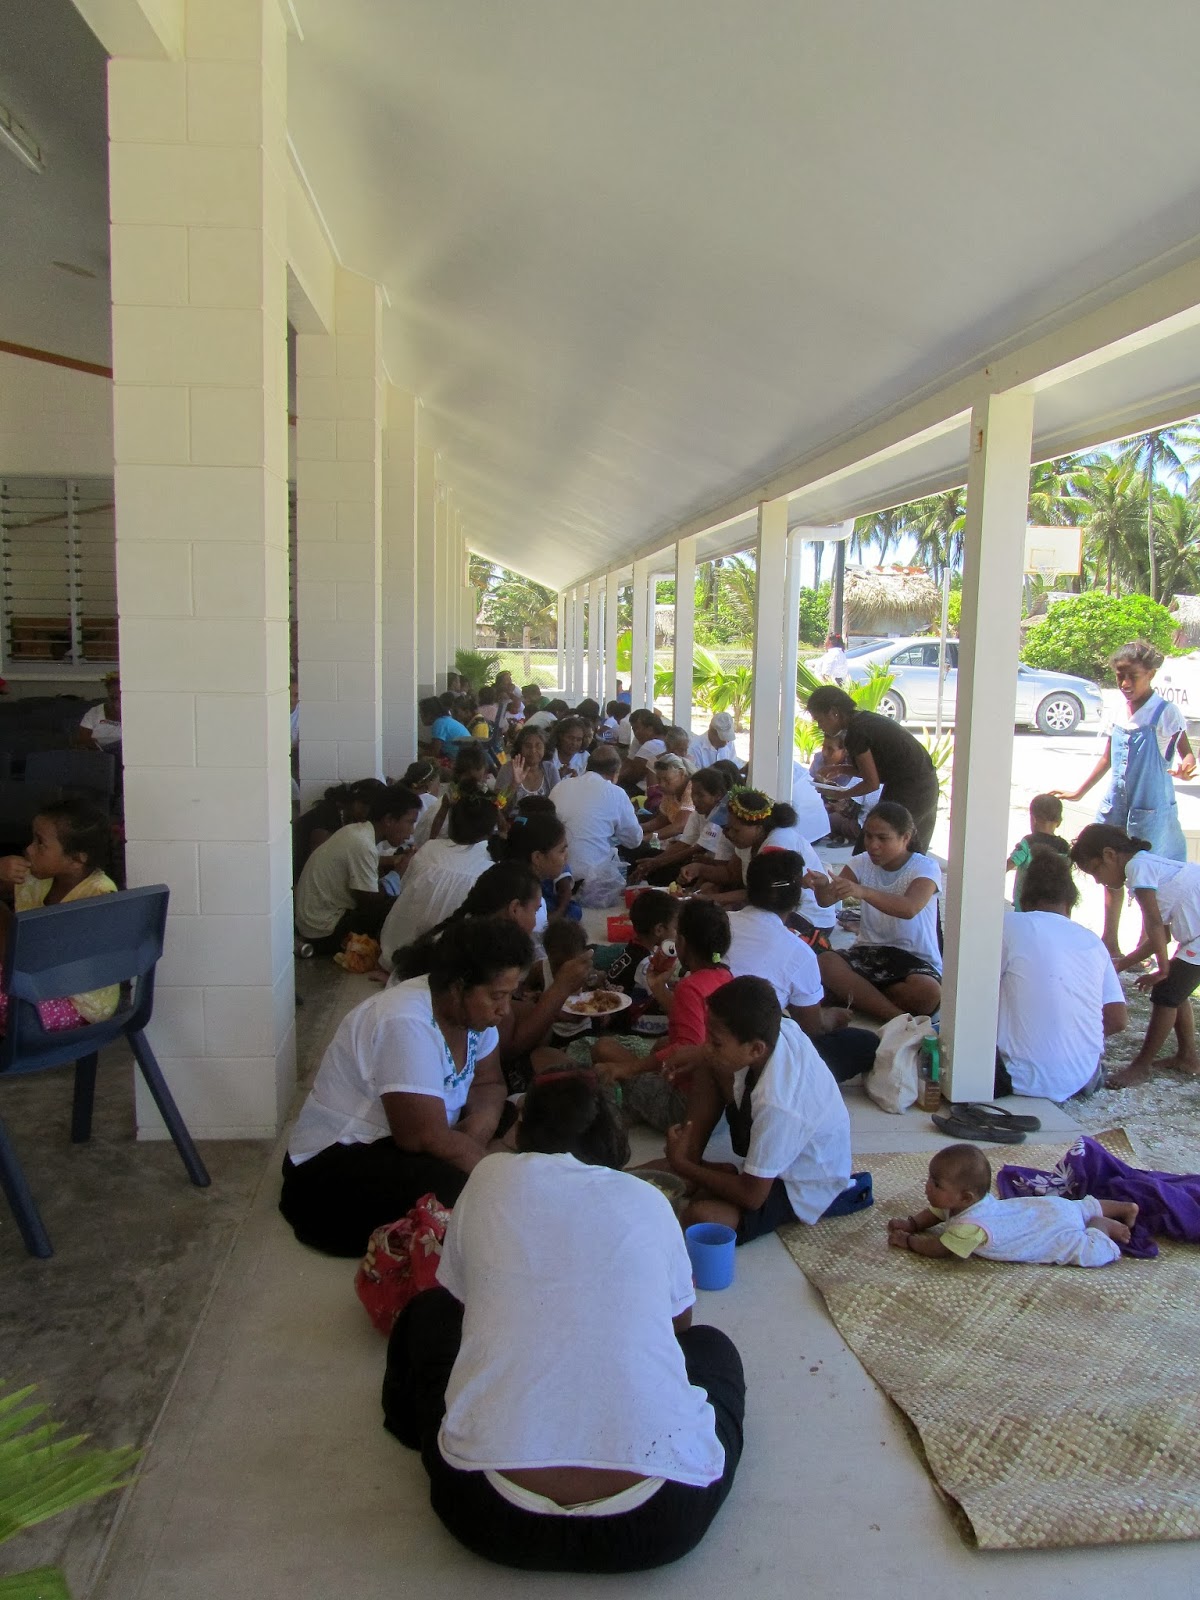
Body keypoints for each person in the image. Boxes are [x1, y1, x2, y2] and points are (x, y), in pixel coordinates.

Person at [382, 1070, 744, 1572]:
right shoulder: (648, 1201)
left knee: (429, 1315)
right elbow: (680, 1327)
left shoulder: (488, 1177)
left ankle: (409, 1427)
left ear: (525, 1136)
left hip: (487, 1513)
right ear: (611, 1145)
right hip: (660, 1521)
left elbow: (463, 1304)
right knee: (713, 1349)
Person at [279, 919, 532, 1256]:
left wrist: (476, 1132)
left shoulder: (475, 1015)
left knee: (511, 1118)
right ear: (458, 987)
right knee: (457, 1190)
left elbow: (489, 1081)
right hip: (337, 1159)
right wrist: (484, 1168)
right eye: (498, 996)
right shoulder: (405, 1020)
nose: (505, 1009)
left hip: (422, 1132)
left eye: (510, 995)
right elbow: (420, 1136)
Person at [664, 977, 855, 1242]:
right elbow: (710, 1054)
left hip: (798, 1183)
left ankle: (691, 1166)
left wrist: (680, 1165)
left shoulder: (778, 1103)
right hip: (767, 1139)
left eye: (716, 1042)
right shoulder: (776, 1027)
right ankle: (698, 1162)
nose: (707, 1045)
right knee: (709, 1063)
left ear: (756, 1049)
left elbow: (752, 1197)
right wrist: (699, 1053)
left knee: (700, 1217)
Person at [1053, 639, 1196, 954]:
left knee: (1148, 879)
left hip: (1152, 811)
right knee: (1108, 871)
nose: (1125, 683)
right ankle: (1110, 938)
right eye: (1120, 676)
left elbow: (1186, 753)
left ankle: (1148, 945)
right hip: (1116, 805)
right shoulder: (1118, 709)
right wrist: (1079, 791)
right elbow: (1107, 758)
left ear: (1151, 674)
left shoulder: (1165, 712)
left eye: (1133, 676)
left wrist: (1187, 765)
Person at [728, 852, 879, 1082]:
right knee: (865, 1042)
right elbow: (812, 1029)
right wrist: (831, 1017)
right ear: (796, 897)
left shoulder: (720, 921)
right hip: (753, 1060)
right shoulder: (799, 952)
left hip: (710, 1032)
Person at [1070, 823, 1200, 1085]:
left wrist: (1162, 970)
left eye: (1096, 870)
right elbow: (1160, 937)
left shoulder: (1137, 868)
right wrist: (1123, 964)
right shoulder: (1147, 867)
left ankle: (1141, 1067)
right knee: (1175, 989)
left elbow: (1153, 924)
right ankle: (1187, 1056)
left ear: (1109, 855)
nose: (1098, 880)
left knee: (1167, 992)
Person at [996, 849, 1127, 1100]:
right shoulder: (1092, 941)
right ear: (1070, 902)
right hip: (1082, 1078)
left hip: (1015, 1076)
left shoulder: (1008, 925)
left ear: (1025, 898)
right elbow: (1118, 1019)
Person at [593, 899, 732, 1131]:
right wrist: (659, 988)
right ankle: (640, 1106)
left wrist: (627, 1069)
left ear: (683, 943)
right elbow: (689, 1022)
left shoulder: (690, 987)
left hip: (684, 1107)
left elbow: (686, 1049)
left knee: (602, 1049)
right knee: (661, 1044)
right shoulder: (724, 975)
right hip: (715, 1106)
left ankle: (641, 1107)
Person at [889, 1143, 1136, 1266]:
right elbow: (934, 1214)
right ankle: (1123, 1207)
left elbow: (940, 1248)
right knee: (1078, 1207)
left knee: (1091, 1253)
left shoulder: (970, 1228)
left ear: (965, 1197)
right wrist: (912, 1223)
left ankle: (1101, 1227)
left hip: (1049, 1233)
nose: (927, 1187)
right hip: (1047, 1209)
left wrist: (909, 1242)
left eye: (936, 1184)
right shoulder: (967, 1203)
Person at [809, 802, 943, 1023]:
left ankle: (859, 995)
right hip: (869, 952)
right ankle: (897, 1017)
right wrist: (822, 885)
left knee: (928, 993)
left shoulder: (925, 867)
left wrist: (863, 891)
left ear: (905, 838)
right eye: (868, 836)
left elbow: (909, 908)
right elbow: (826, 901)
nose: (872, 845)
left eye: (883, 838)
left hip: (914, 959)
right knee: (824, 962)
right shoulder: (860, 862)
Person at [0, 799, 120, 1031]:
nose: (29, 849)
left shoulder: (97, 896)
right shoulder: (35, 878)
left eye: (40, 843)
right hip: (33, 981)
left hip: (77, 1004)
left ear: (76, 859)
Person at [682, 789, 834, 939]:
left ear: (759, 828)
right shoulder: (747, 841)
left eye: (736, 830)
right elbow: (731, 874)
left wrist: (713, 899)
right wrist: (700, 870)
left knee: (722, 925)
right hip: (774, 908)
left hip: (808, 919)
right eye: (728, 828)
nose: (729, 835)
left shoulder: (778, 841)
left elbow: (763, 891)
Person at [805, 686, 940, 853]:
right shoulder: (863, 720)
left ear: (834, 712)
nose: (820, 726)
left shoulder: (857, 731)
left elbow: (871, 783)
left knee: (881, 846)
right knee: (896, 848)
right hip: (920, 783)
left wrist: (841, 794)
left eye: (819, 720)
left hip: (912, 789)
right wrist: (842, 769)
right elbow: (874, 769)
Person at [294, 787, 421, 954]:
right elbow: (370, 904)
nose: (411, 831)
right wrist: (399, 873)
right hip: (323, 932)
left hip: (313, 924)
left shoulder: (358, 832)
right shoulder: (362, 843)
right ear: (389, 819)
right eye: (410, 822)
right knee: (403, 909)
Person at [379, 792, 500, 964]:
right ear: (490, 830)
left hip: (399, 949)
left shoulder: (429, 849)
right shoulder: (490, 869)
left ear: (451, 825)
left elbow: (405, 890)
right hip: (447, 961)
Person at [548, 745, 642, 903]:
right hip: (593, 884)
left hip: (556, 877)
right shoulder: (616, 793)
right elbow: (634, 840)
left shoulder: (560, 786)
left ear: (587, 766)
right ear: (615, 774)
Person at [628, 765, 733, 887]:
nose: (694, 799)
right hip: (700, 861)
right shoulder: (698, 813)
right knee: (647, 856)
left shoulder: (720, 816)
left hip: (716, 867)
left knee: (663, 870)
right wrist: (655, 861)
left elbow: (698, 848)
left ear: (718, 795)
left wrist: (659, 862)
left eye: (700, 795)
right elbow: (683, 844)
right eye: (693, 794)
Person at [292, 777, 387, 880]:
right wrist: (388, 860)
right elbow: (326, 858)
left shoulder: (342, 814)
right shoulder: (327, 815)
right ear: (358, 803)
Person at [503, 808, 574, 922]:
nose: (566, 856)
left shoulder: (512, 878)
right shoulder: (530, 902)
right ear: (537, 857)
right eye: (561, 851)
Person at [606, 890, 679, 998]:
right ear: (659, 930)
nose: (678, 932)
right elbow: (662, 997)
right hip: (627, 1013)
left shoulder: (631, 949)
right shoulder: (646, 965)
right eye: (676, 927)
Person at [1007, 792, 1070, 911]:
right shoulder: (1064, 848)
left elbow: (1009, 864)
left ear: (1033, 819)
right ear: (1059, 821)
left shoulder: (1028, 843)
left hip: (1025, 906)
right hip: (1052, 907)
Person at [640, 754, 694, 843]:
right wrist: (638, 828)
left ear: (681, 774)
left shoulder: (692, 788)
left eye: (666, 780)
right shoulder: (670, 792)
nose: (661, 784)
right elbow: (662, 820)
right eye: (658, 779)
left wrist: (645, 839)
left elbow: (679, 826)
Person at [495, 725, 553, 806]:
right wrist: (514, 785)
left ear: (545, 748)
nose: (533, 750)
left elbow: (559, 802)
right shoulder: (508, 769)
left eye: (538, 746)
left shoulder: (550, 768)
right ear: (520, 748)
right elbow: (498, 806)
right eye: (528, 746)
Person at [76, 671, 122, 752]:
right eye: (113, 697)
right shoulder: (94, 712)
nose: (116, 702)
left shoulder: (136, 712)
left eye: (120, 697)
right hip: (98, 756)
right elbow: (82, 740)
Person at [543, 717, 589, 786]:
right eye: (570, 738)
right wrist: (557, 777)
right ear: (560, 736)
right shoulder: (547, 754)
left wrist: (578, 782)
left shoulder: (585, 758)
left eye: (579, 740)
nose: (574, 743)